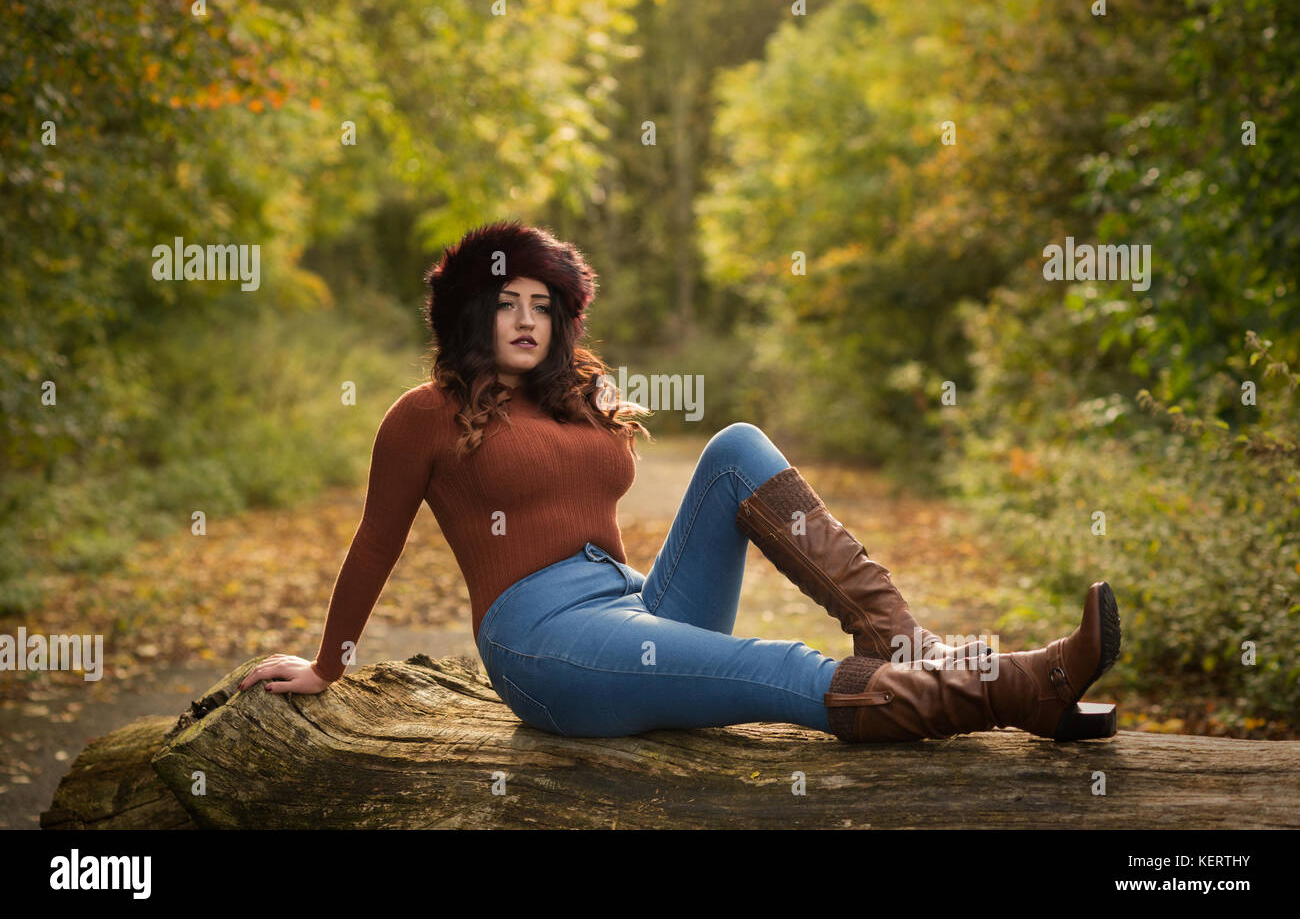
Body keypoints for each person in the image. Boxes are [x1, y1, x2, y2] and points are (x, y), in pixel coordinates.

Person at [238, 220, 1121, 743]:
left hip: (637, 607)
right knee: (780, 667)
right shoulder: (423, 414)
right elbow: (373, 545)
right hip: (544, 643)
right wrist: (327, 663)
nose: (526, 318)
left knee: (734, 442)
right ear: (469, 311)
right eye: (507, 301)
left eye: (544, 303)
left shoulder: (580, 392)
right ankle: (1019, 686)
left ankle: (900, 638)